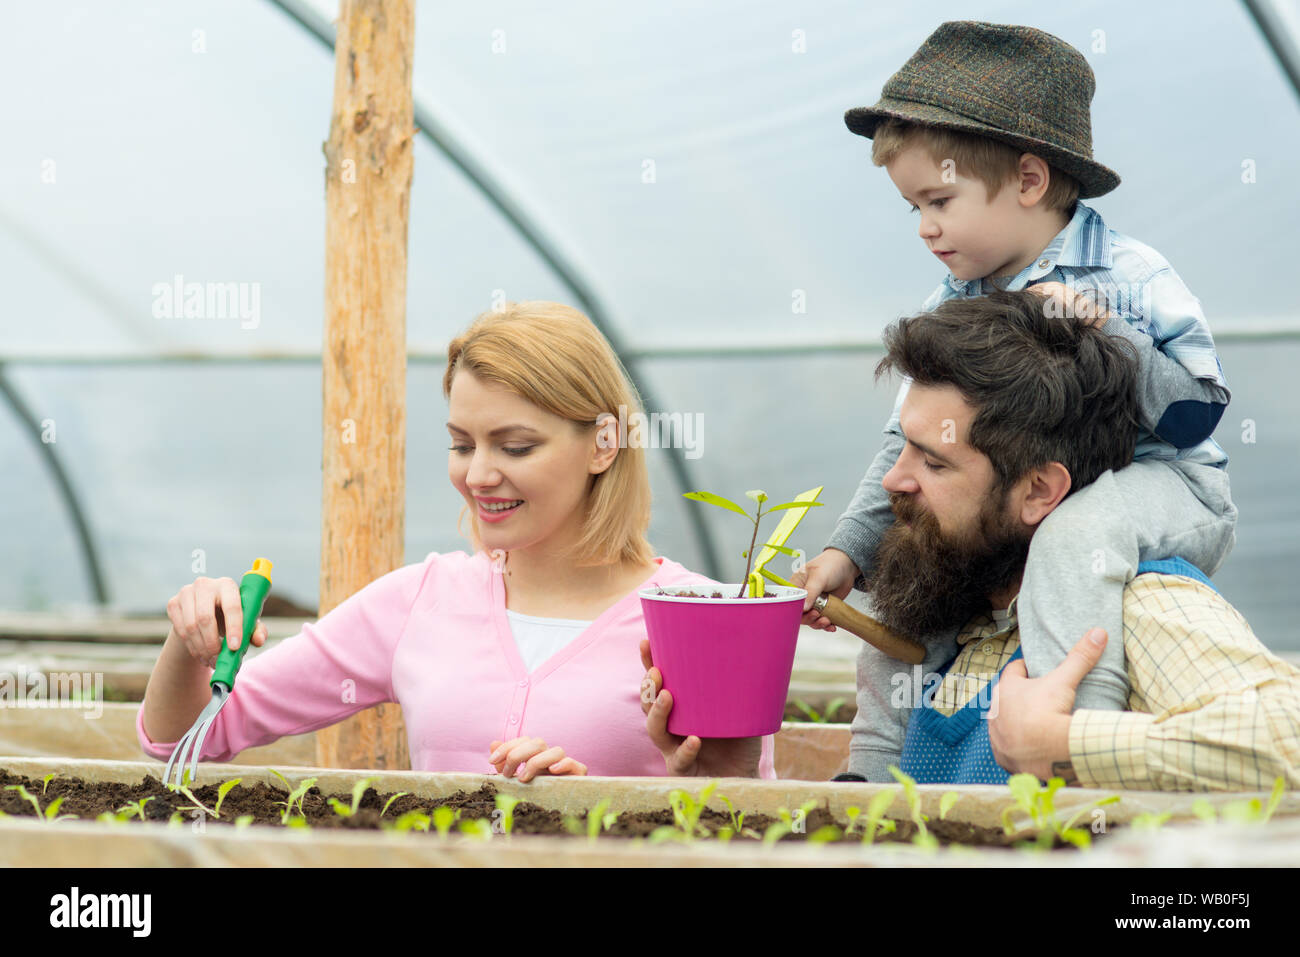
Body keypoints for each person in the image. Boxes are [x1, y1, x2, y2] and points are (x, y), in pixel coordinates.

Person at [647, 290, 1300, 791]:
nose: (894, 481)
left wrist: (1073, 738)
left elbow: (1288, 741)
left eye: (935, 462)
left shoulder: (1141, 608)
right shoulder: (939, 622)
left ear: (1040, 491)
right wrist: (729, 771)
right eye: (901, 447)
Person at [798, 21, 1237, 733]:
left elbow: (1195, 415)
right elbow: (904, 441)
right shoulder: (957, 297)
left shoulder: (1129, 277)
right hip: (1030, 497)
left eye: (939, 203)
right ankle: (868, 779)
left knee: (1073, 536)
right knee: (915, 578)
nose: (924, 229)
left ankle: (1069, 740)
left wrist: (1108, 331)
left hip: (1163, 487)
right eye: (914, 208)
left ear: (1029, 180)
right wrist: (849, 548)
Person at [138, 301, 777, 779]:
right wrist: (187, 641)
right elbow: (189, 739)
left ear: (604, 443)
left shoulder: (699, 616)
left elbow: (754, 825)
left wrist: (596, 816)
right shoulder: (422, 599)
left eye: (515, 446)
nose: (477, 475)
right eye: (461, 444)